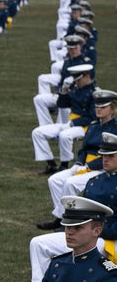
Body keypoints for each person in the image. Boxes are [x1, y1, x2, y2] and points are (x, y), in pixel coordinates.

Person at [29, 133, 117, 282]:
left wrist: (98, 232)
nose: (105, 159)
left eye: (110, 156)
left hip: (110, 238)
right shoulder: (94, 181)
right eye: (103, 155)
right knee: (38, 244)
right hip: (90, 234)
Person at [40, 89, 117, 228]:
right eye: (97, 106)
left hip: (101, 167)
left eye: (103, 107)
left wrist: (89, 166)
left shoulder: (115, 129)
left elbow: (111, 155)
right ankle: (61, 216)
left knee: (70, 183)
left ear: (112, 109)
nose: (98, 109)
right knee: (54, 180)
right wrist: (78, 162)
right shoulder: (93, 126)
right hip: (85, 165)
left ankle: (67, 221)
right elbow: (84, 149)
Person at [31, 64, 95, 176]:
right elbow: (61, 104)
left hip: (85, 127)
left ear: (87, 76)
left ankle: (64, 166)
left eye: (78, 79)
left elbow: (92, 117)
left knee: (65, 135)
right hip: (70, 123)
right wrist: (64, 90)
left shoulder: (94, 93)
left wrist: (73, 123)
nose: (77, 82)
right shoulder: (76, 89)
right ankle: (51, 164)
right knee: (37, 132)